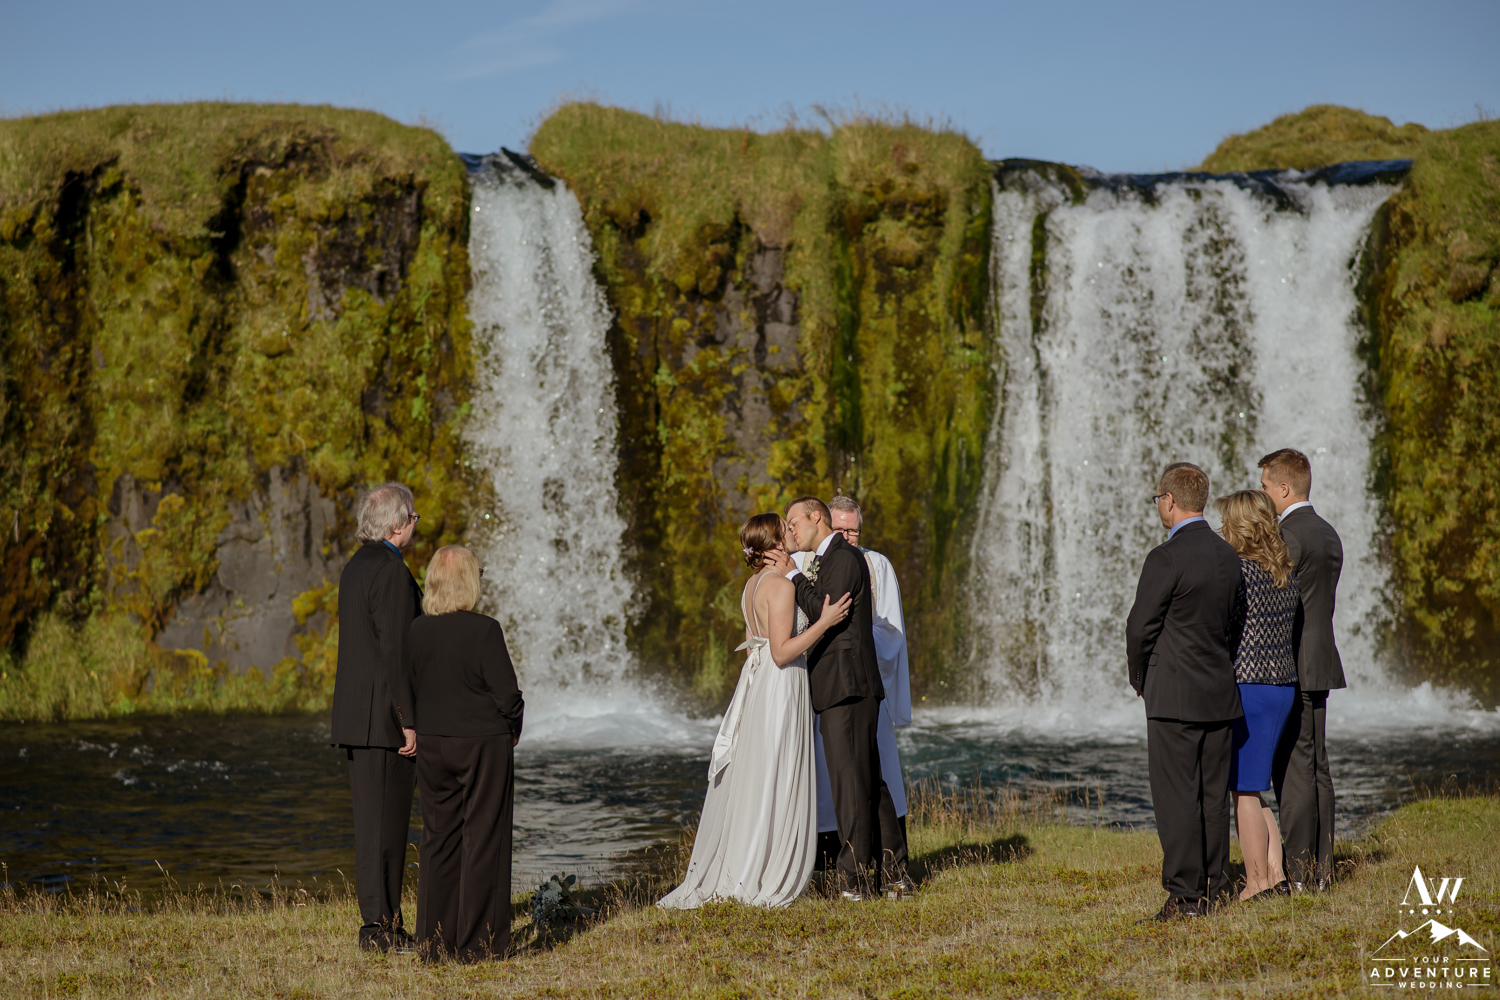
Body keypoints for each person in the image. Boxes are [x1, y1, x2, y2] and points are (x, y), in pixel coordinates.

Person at [659, 514, 850, 908]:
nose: (792, 531)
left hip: (760, 681)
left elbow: (754, 642)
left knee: (761, 772)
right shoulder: (780, 586)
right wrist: (826, 622)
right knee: (776, 772)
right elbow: (781, 652)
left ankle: (748, 862)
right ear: (776, 545)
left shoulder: (752, 586)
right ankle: (764, 871)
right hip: (781, 685)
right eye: (786, 527)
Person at [1126, 463, 1244, 921]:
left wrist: (1140, 678)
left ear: (1170, 501)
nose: (1158, 506)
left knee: (1177, 797)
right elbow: (1234, 624)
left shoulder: (1165, 557)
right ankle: (1215, 887)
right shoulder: (1226, 554)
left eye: (1157, 499)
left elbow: (1140, 627)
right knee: (1212, 797)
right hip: (1218, 690)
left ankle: (1184, 895)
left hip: (1173, 696)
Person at [783, 497, 906, 900]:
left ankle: (853, 881)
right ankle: (894, 874)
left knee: (850, 785)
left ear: (815, 518)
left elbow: (826, 613)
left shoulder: (844, 558)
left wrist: (793, 579)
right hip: (845, 685)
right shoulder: (827, 559)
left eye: (793, 521)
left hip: (847, 684)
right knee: (869, 780)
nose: (790, 531)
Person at [406, 545, 524, 962]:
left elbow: (410, 686)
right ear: (471, 582)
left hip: (433, 746)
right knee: (484, 839)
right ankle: (480, 945)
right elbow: (507, 694)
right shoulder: (485, 630)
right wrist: (514, 726)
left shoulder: (416, 630)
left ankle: (434, 944)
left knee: (438, 840)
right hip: (483, 743)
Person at [330, 482, 423, 952]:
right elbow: (395, 650)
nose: (415, 524)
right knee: (386, 830)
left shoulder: (355, 566)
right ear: (395, 524)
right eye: (413, 517)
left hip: (358, 716)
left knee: (372, 828)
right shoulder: (390, 570)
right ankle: (382, 930)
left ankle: (377, 926)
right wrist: (408, 717)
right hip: (384, 719)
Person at [1260, 448, 1346, 892]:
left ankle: (1298, 873)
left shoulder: (1289, 534)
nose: (1263, 496)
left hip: (1293, 662)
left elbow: (1276, 600)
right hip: (1322, 659)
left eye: (1265, 488)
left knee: (1294, 771)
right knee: (1318, 768)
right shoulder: (1328, 533)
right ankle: (1323, 872)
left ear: (1284, 487)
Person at [1215, 490, 1299, 901]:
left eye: (1227, 522)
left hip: (1249, 687)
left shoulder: (1240, 573)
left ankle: (1255, 882)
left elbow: (1225, 632)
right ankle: (1276, 874)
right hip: (1283, 687)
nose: (1221, 529)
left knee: (1244, 790)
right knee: (1256, 785)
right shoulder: (1284, 571)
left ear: (1240, 525)